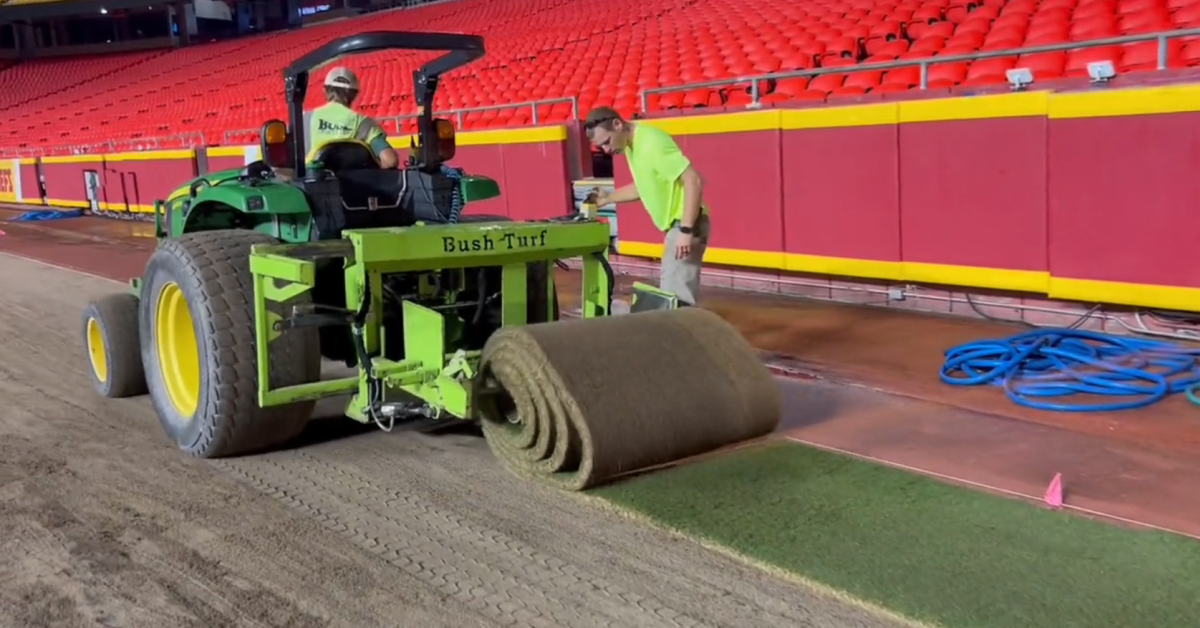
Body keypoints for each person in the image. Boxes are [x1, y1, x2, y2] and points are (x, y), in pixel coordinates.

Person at [586, 107, 710, 306]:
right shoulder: (632, 146)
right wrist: (607, 198)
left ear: (618, 124)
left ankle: (681, 335)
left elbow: (692, 180)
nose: (607, 150)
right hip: (678, 226)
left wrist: (686, 230)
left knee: (676, 300)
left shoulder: (652, 142)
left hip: (686, 224)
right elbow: (643, 186)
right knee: (674, 295)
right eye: (602, 147)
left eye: (607, 141)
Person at [303, 67, 400, 169]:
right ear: (354, 95)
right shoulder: (364, 123)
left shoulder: (305, 119)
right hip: (356, 183)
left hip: (313, 182)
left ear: (325, 90)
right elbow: (390, 161)